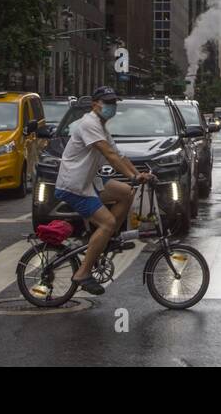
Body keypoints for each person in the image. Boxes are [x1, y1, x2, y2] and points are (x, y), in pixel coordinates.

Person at [51, 87, 153, 295]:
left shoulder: (102, 126)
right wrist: (133, 177)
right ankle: (83, 273)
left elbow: (119, 155)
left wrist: (140, 174)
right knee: (107, 222)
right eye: (107, 102)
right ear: (95, 104)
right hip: (75, 185)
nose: (111, 106)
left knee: (126, 192)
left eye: (114, 102)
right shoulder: (89, 124)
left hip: (90, 181)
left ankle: (106, 239)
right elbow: (109, 154)